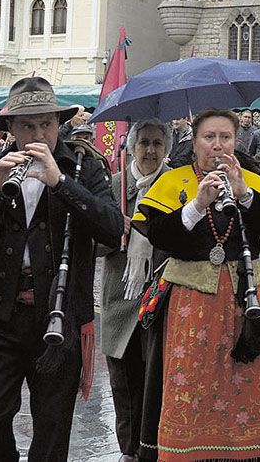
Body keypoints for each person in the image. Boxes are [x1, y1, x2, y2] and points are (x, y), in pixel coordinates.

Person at [0, 77, 123, 461]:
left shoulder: (83, 168)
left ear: (59, 124)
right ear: (10, 128)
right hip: (1, 316)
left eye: (46, 124)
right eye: (27, 126)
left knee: (52, 429)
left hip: (59, 318)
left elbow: (112, 228)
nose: (38, 135)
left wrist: (61, 183)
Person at [131, 108, 260, 461]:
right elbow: (159, 235)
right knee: (186, 383)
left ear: (236, 141)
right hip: (189, 304)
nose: (217, 145)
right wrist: (197, 204)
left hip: (242, 303)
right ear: (194, 143)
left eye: (225, 137)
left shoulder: (253, 182)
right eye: (209, 137)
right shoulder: (173, 182)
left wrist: (245, 194)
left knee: (242, 383)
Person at [100, 118, 171, 462]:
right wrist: (116, 232)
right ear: (131, 147)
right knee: (123, 386)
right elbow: (93, 245)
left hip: (162, 301)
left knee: (157, 383)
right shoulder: (113, 187)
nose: (150, 150)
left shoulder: (177, 185)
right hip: (120, 300)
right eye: (144, 142)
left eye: (157, 143)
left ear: (166, 148)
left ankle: (155, 450)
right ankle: (129, 452)